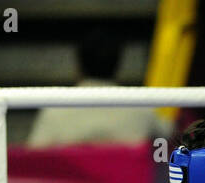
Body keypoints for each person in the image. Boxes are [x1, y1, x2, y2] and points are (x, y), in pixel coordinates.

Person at [26, 27, 166, 147]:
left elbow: (35, 160)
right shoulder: (141, 108)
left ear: (78, 67)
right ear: (118, 65)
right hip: (127, 179)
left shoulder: (54, 111)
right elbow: (170, 136)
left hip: (74, 179)